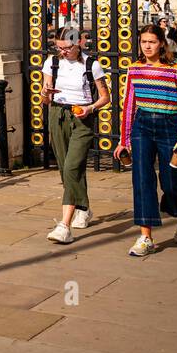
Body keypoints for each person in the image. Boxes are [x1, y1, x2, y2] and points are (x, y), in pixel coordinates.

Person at [114, 24, 177, 257]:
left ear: (161, 43)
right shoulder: (135, 69)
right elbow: (129, 106)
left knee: (171, 181)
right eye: (143, 42)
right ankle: (145, 236)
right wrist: (124, 140)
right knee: (142, 179)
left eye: (152, 41)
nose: (147, 46)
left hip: (169, 127)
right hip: (142, 126)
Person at [41, 29, 110, 244]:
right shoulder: (52, 63)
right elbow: (43, 99)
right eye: (59, 48)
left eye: (67, 48)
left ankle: (64, 226)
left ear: (79, 42)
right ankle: (84, 208)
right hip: (57, 114)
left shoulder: (92, 65)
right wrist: (45, 93)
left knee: (72, 166)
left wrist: (89, 108)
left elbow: (105, 97)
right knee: (66, 168)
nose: (63, 52)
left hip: (82, 117)